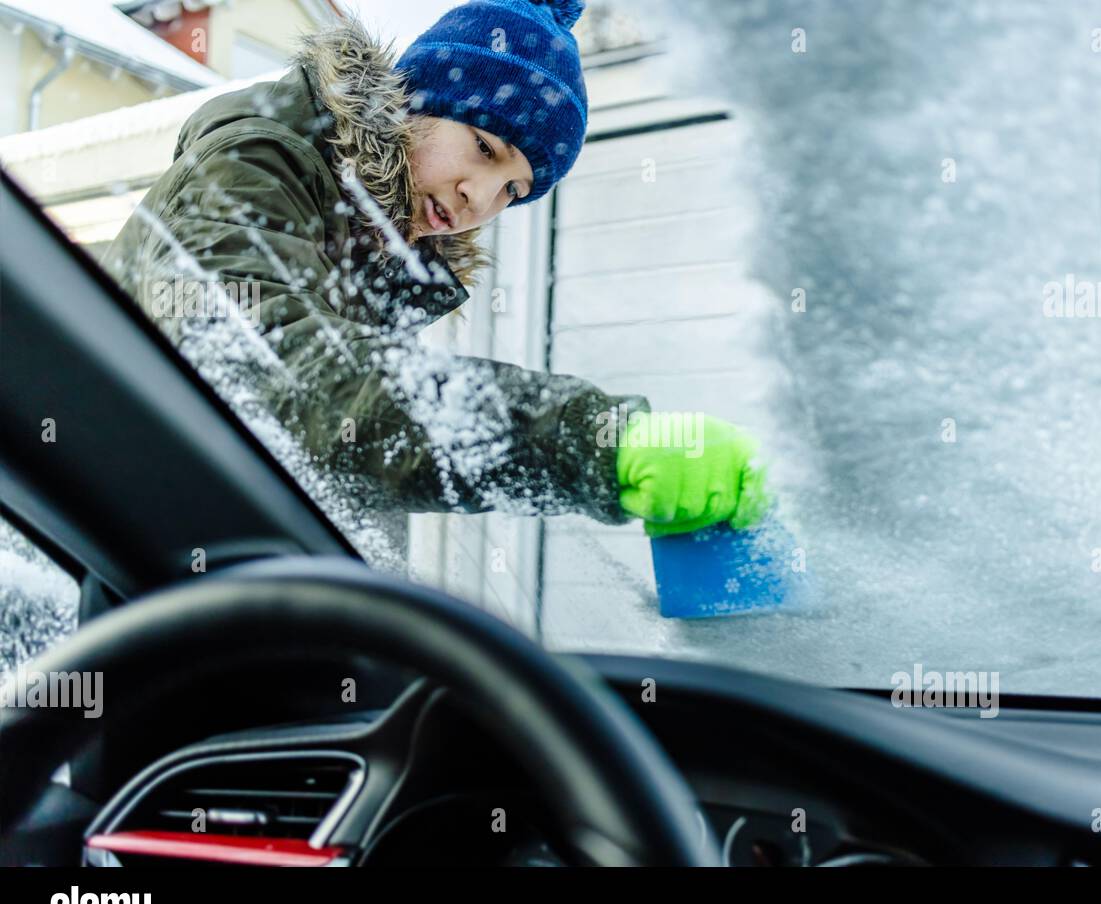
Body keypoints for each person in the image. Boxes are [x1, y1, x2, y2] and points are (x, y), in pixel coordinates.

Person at [104, 0, 767, 538]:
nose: (481, 198)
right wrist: (599, 444)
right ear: (414, 100)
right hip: (81, 563)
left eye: (513, 189)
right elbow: (270, 373)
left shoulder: (373, 248)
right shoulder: (255, 163)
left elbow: (347, 463)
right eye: (483, 148)